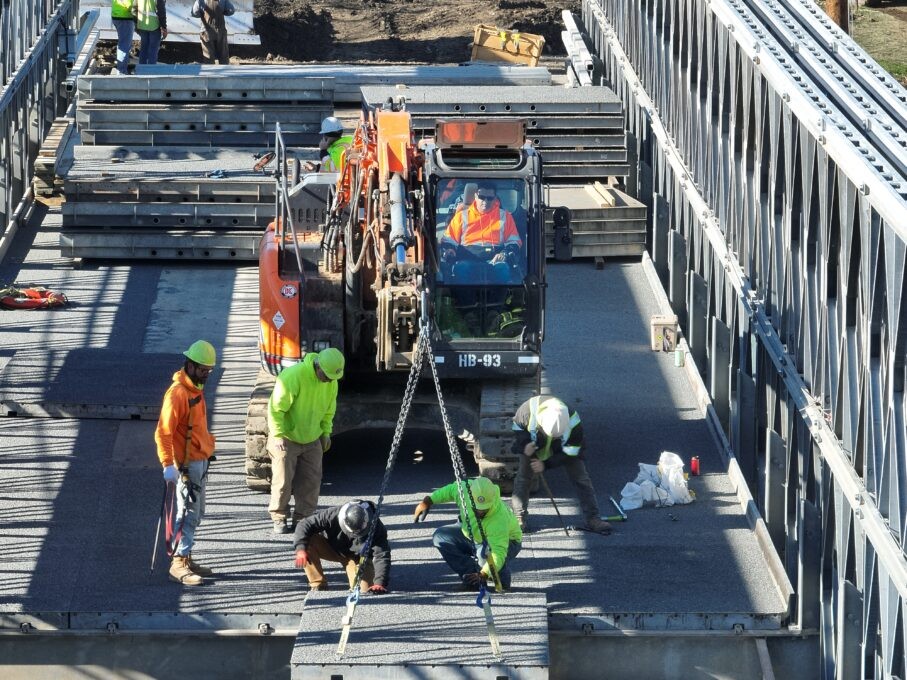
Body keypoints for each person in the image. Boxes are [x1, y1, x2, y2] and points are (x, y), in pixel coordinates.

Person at [155, 340, 218, 585]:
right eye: (203, 369)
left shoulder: (194, 389)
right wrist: (168, 465)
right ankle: (178, 563)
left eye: (209, 370)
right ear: (190, 365)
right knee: (186, 513)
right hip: (187, 466)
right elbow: (163, 432)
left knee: (197, 513)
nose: (206, 374)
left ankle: (187, 557)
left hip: (199, 462)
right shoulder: (178, 394)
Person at [267, 347, 344, 534]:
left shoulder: (331, 380)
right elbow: (276, 409)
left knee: (311, 481)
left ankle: (304, 518)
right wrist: (277, 434)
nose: (328, 381)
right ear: (318, 366)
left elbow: (329, 410)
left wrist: (326, 433)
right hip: (286, 437)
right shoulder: (293, 376)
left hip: (312, 436)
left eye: (332, 379)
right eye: (326, 376)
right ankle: (279, 516)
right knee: (283, 480)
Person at [510, 395, 612, 535]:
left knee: (581, 479)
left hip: (565, 446)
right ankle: (518, 518)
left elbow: (571, 453)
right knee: (524, 478)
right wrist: (525, 443)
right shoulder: (527, 411)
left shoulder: (574, 422)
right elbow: (517, 427)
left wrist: (546, 464)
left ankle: (593, 518)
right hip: (534, 442)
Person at [413, 476, 522, 590]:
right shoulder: (464, 490)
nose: (480, 512)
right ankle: (471, 579)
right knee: (441, 537)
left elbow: (498, 552)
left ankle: (500, 578)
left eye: (484, 509)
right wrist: (428, 501)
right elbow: (449, 491)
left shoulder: (498, 519)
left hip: (507, 542)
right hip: (473, 534)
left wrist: (484, 573)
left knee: (484, 556)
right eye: (477, 508)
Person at [293, 499, 390, 593]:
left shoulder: (376, 527)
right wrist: (300, 549)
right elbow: (304, 524)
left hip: (358, 558)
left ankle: (357, 577)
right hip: (332, 548)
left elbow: (381, 555)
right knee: (307, 541)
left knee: (364, 591)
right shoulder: (333, 514)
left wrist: (379, 583)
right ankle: (318, 585)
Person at [440, 181, 522, 284]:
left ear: (495, 198)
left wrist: (504, 254)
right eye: (482, 197)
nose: (485, 201)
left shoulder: (505, 216)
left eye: (489, 198)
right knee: (460, 269)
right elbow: (449, 239)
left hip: (495, 260)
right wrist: (449, 249)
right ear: (475, 196)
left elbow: (514, 241)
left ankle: (500, 300)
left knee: (503, 270)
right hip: (467, 259)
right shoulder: (461, 216)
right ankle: (464, 300)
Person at [191, 0, 235, 65]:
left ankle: (211, 74)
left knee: (208, 57)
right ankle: (224, 72)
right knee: (223, 56)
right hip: (220, 31)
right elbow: (231, 10)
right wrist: (223, 12)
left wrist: (201, 14)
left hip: (206, 31)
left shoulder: (200, 0)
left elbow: (194, 13)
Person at [135, 0, 167, 66]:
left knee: (144, 49)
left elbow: (134, 9)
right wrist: (164, 27)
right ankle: (150, 72)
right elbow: (161, 12)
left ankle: (142, 71)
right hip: (154, 26)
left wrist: (136, 25)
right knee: (153, 51)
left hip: (142, 25)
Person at [111, 0, 135, 74]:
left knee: (122, 43)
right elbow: (128, 4)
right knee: (124, 45)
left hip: (117, 14)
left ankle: (122, 67)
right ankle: (122, 71)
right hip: (125, 16)